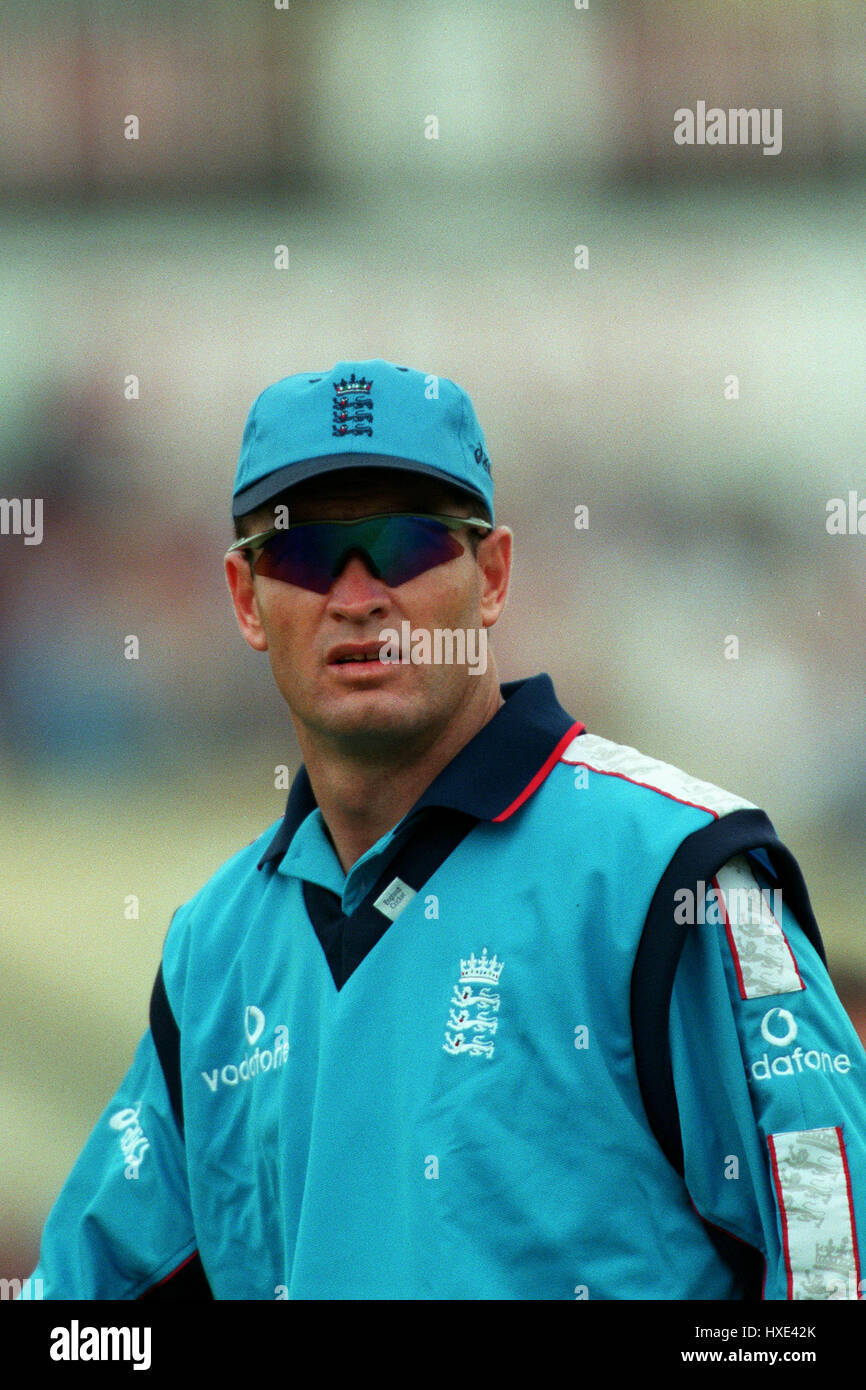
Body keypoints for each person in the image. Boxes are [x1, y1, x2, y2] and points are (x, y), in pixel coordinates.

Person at [28, 359, 866, 1300]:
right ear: (243, 596)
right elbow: (87, 1318)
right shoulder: (213, 948)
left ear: (493, 576)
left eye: (406, 544)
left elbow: (835, 1282)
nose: (357, 596)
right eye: (305, 553)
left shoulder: (685, 874)